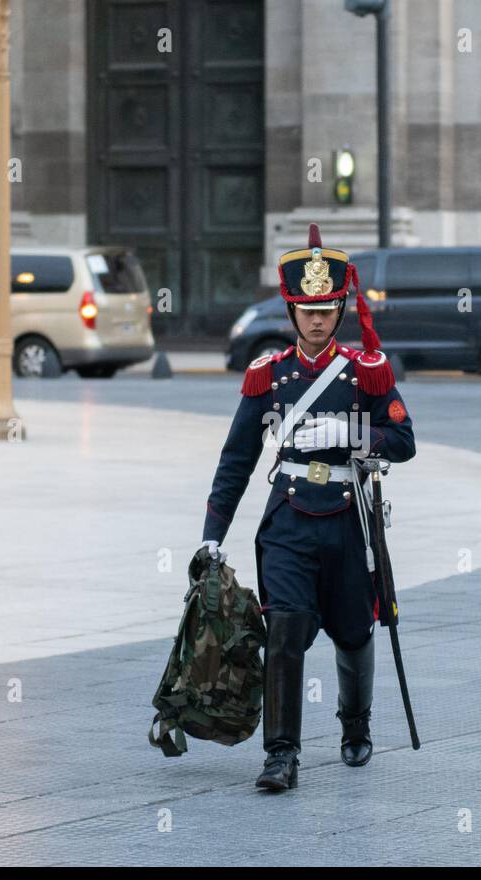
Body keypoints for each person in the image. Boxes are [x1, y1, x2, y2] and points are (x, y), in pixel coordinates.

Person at [200, 223, 415, 791]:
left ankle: (355, 724)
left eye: (327, 309)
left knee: (353, 632)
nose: (317, 320)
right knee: (285, 634)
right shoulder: (267, 376)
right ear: (291, 312)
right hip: (289, 522)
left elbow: (405, 442)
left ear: (340, 309)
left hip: (347, 521)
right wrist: (210, 535)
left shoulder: (365, 371)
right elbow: (236, 460)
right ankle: (281, 754)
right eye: (306, 310)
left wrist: (354, 432)